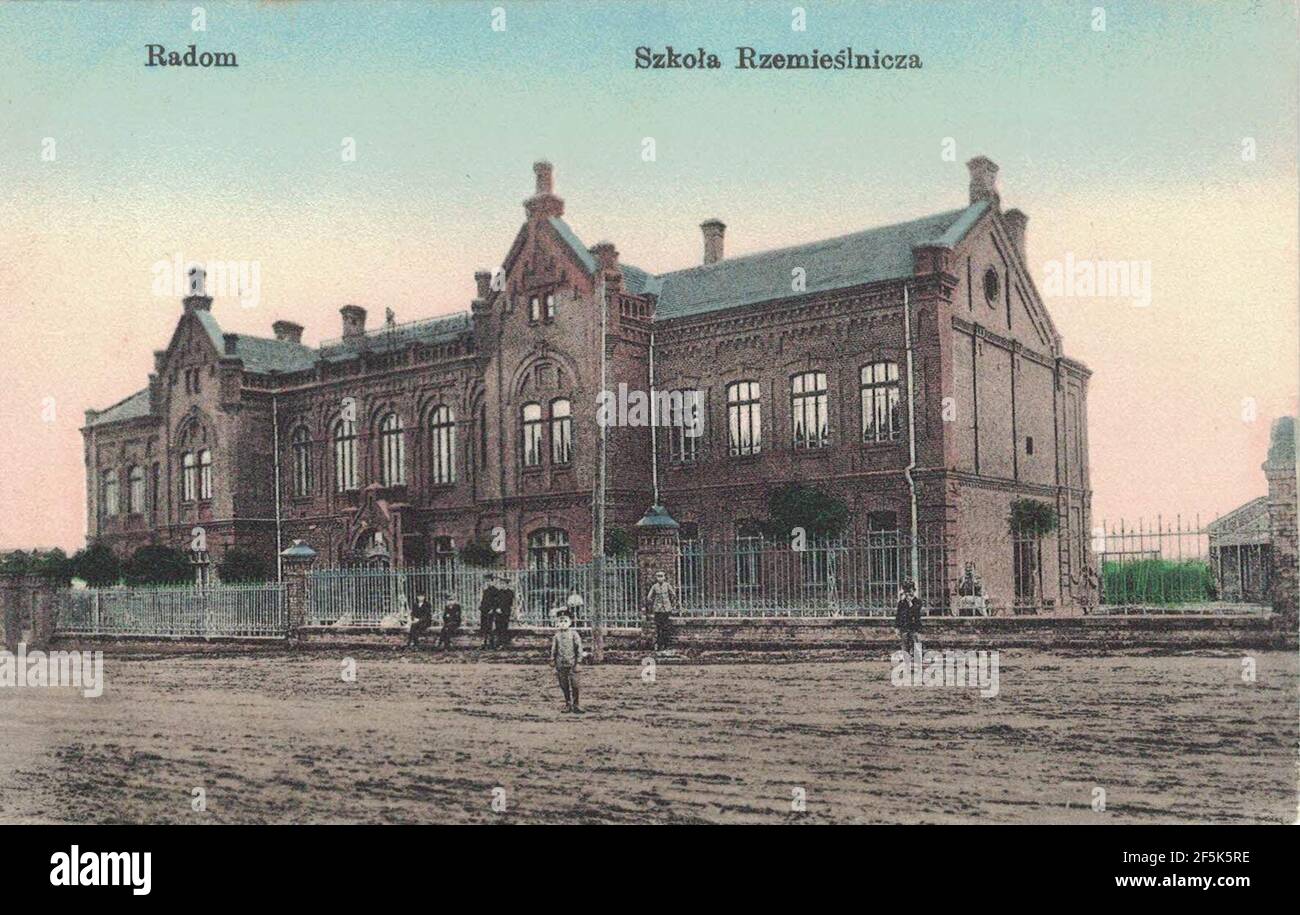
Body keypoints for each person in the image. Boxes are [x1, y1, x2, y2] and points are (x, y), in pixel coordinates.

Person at [550, 610, 583, 713]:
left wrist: (578, 662)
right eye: (560, 621)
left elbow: (579, 649)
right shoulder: (556, 636)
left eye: (565, 620)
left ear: (570, 622)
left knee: (575, 684)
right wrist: (552, 660)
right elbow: (554, 649)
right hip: (560, 664)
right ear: (557, 623)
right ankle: (567, 703)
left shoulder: (574, 634)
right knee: (564, 684)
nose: (563, 623)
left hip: (572, 664)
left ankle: (576, 704)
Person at [645, 569, 677, 650]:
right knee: (659, 628)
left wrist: (672, 604)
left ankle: (666, 645)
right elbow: (649, 597)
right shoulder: (654, 586)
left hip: (666, 609)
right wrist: (653, 603)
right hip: (658, 610)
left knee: (665, 627)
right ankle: (659, 645)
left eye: (661, 576)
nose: (660, 578)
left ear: (664, 577)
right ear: (656, 578)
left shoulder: (667, 585)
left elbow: (673, 595)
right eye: (658, 576)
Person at [895, 578, 923, 653]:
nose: (908, 594)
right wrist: (897, 627)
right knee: (905, 647)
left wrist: (910, 603)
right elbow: (898, 615)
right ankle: (906, 661)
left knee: (916, 645)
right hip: (904, 627)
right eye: (906, 591)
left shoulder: (917, 602)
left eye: (909, 591)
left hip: (914, 627)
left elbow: (915, 613)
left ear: (914, 590)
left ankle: (917, 661)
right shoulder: (902, 603)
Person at [494, 575, 516, 649]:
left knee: (504, 627)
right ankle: (498, 642)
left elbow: (509, 603)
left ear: (507, 584)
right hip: (498, 612)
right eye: (501, 583)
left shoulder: (510, 593)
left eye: (503, 584)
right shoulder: (498, 592)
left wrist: (503, 609)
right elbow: (496, 602)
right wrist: (497, 608)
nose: (502, 585)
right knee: (498, 627)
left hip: (506, 612)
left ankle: (503, 643)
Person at [478, 575, 499, 649]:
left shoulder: (495, 591)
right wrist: (481, 608)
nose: (487, 582)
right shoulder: (485, 591)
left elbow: (496, 602)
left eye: (489, 581)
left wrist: (492, 609)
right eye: (486, 581)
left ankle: (492, 644)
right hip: (484, 611)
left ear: (492, 581)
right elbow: (484, 601)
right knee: (484, 628)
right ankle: (484, 643)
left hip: (490, 612)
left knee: (490, 628)